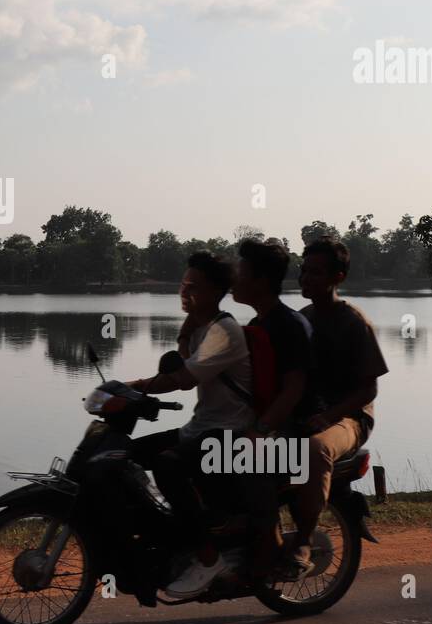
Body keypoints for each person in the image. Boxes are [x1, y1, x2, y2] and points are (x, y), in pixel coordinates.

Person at [127, 250, 254, 597]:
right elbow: (184, 366)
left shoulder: (223, 332)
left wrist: (127, 389)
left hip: (230, 434)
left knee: (167, 466)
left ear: (215, 291)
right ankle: (171, 529)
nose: (185, 292)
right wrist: (186, 331)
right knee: (127, 454)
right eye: (183, 285)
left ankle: (208, 558)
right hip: (201, 427)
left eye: (193, 286)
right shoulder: (202, 328)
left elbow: (181, 379)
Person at [290, 237, 388, 574]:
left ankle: (303, 541)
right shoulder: (301, 319)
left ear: (338, 277)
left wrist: (328, 417)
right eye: (304, 271)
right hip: (310, 412)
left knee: (316, 449)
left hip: (350, 418)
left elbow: (368, 389)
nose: (306, 278)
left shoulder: (354, 322)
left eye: (316, 272)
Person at [229, 237, 322, 580]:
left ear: (261, 281)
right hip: (268, 421)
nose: (235, 280)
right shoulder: (257, 325)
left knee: (247, 459)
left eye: (241, 273)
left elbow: (294, 389)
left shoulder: (290, 325)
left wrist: (261, 428)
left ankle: (269, 544)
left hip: (295, 426)